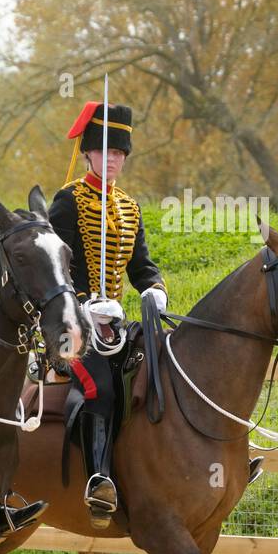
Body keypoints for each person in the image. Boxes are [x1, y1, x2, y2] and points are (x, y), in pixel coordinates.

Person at [48, 101, 166, 528]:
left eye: (119, 152)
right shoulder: (68, 201)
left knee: (161, 369)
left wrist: (155, 290)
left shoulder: (130, 207)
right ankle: (98, 478)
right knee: (101, 387)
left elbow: (142, 266)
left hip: (114, 321)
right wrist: (84, 303)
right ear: (88, 154)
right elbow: (58, 267)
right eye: (106, 151)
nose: (113, 158)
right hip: (71, 324)